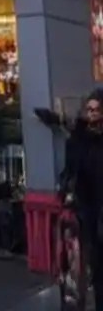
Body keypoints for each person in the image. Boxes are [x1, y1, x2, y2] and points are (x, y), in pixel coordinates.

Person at [57, 90, 103, 307]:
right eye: (90, 109)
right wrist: (66, 188)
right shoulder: (79, 140)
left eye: (97, 110)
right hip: (85, 211)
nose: (93, 114)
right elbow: (70, 171)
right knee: (84, 267)